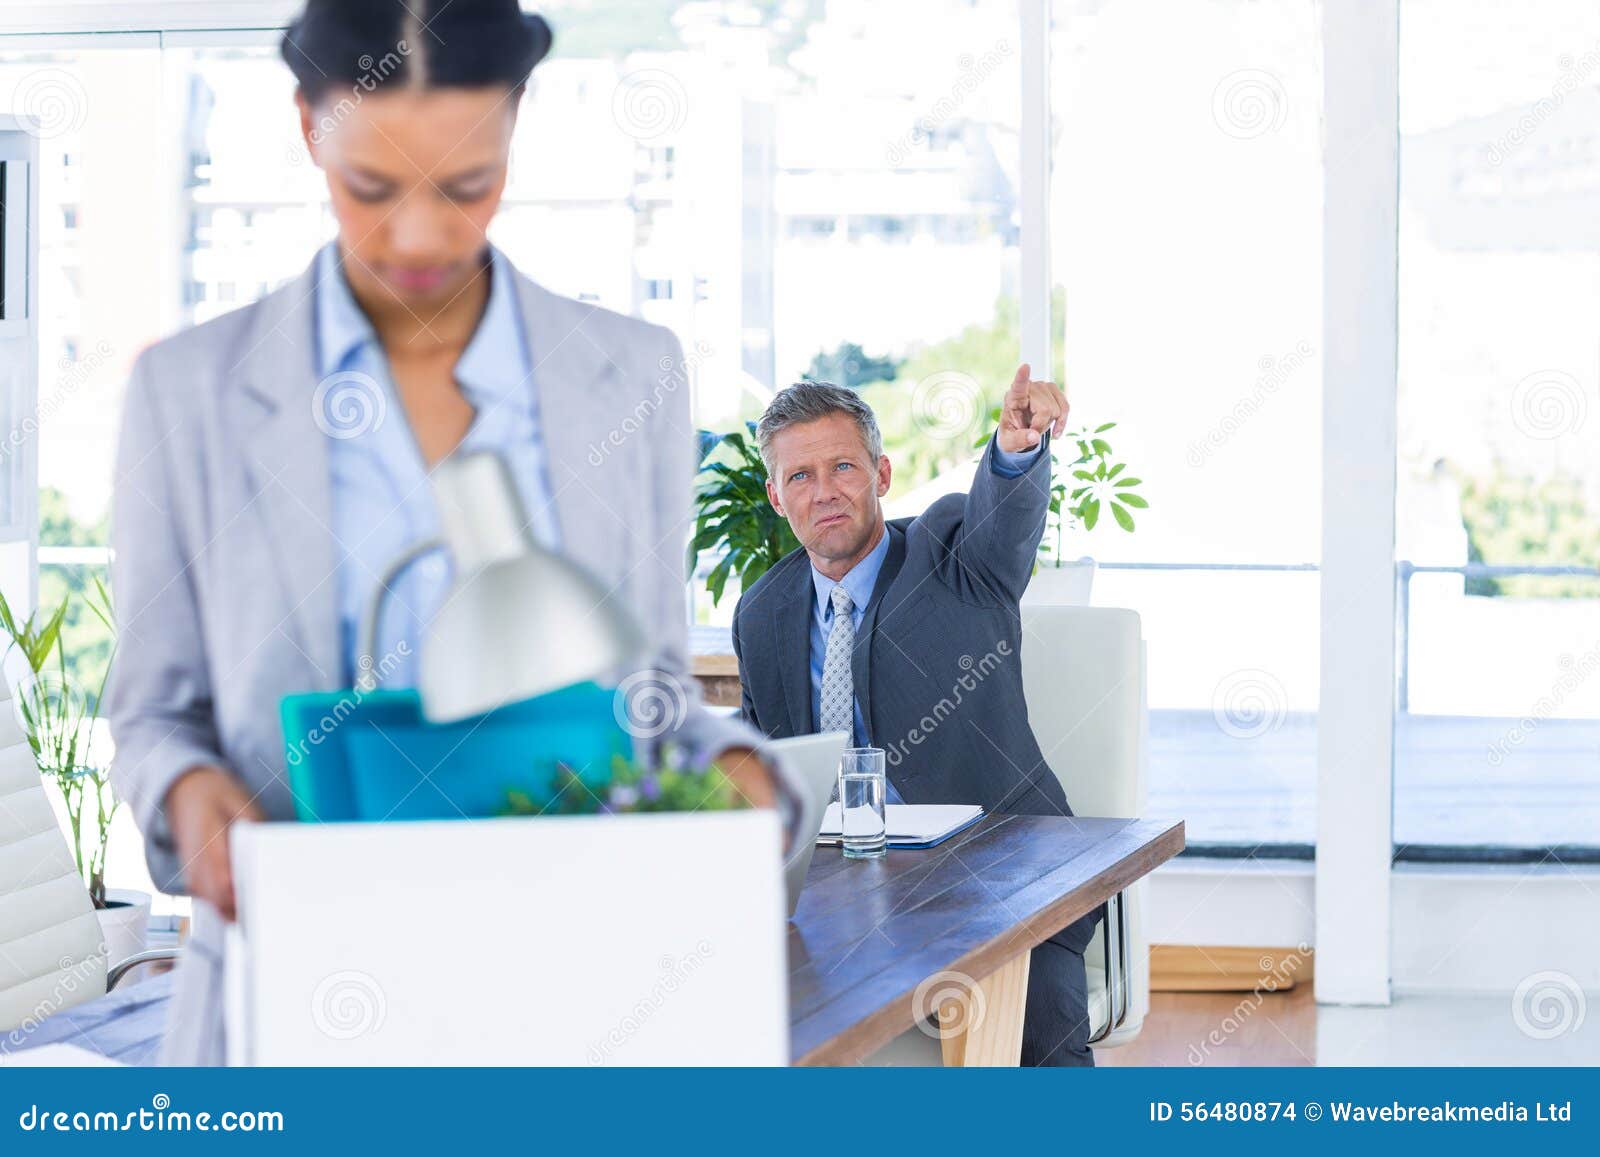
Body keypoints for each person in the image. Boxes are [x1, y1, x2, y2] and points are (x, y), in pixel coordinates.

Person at [106, 0, 784, 1066]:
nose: (419, 235)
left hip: (575, 1003)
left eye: (468, 184)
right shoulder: (187, 393)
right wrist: (194, 800)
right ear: (306, 127)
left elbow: (645, 694)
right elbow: (151, 715)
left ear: (516, 123)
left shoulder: (631, 376)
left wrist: (744, 772)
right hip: (294, 1005)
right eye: (370, 187)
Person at [730, 368, 1103, 1066]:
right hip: (838, 890)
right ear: (777, 496)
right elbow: (764, 777)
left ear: (882, 473)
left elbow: (1004, 524)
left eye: (843, 465)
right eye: (801, 475)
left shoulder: (953, 555)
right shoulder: (762, 612)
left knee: (1033, 1017)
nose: (825, 490)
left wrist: (1015, 447)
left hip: (997, 875)